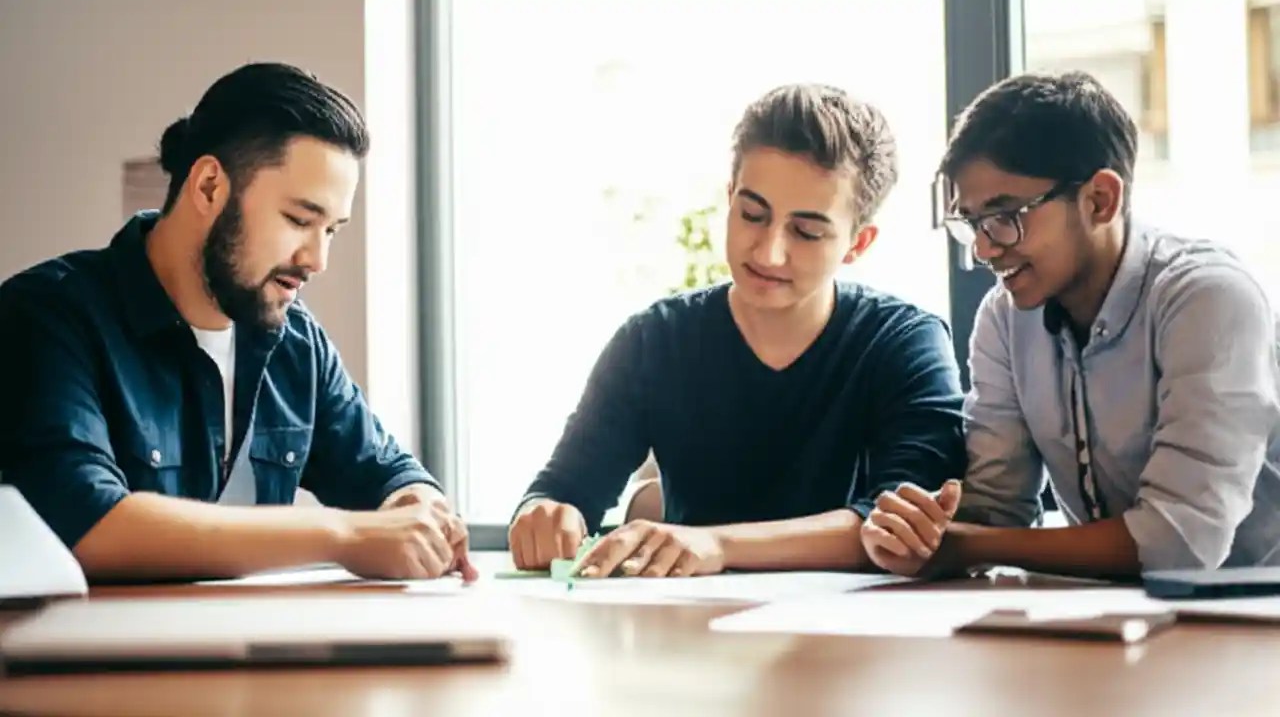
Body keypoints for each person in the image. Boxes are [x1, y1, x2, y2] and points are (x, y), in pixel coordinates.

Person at [0, 63, 476, 582]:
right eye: (299, 220)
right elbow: (85, 525)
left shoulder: (298, 342)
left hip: (254, 653)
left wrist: (418, 510)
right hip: (90, 660)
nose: (317, 259)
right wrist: (345, 535)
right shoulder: (47, 316)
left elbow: (389, 475)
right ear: (208, 187)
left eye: (332, 230)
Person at [508, 84, 967, 578]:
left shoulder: (904, 342)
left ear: (858, 242)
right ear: (730, 198)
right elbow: (564, 488)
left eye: (806, 232)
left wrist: (720, 544)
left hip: (858, 636)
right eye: (752, 214)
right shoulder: (654, 340)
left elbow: (902, 525)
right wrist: (548, 515)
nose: (768, 252)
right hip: (687, 628)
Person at [862, 71, 1280, 579]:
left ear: (1100, 200)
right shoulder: (1004, 317)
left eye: (1005, 215)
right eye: (970, 222)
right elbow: (995, 510)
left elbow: (1178, 543)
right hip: (1115, 614)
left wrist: (966, 544)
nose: (983, 247)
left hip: (1255, 619)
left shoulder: (1207, 298)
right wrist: (917, 533)